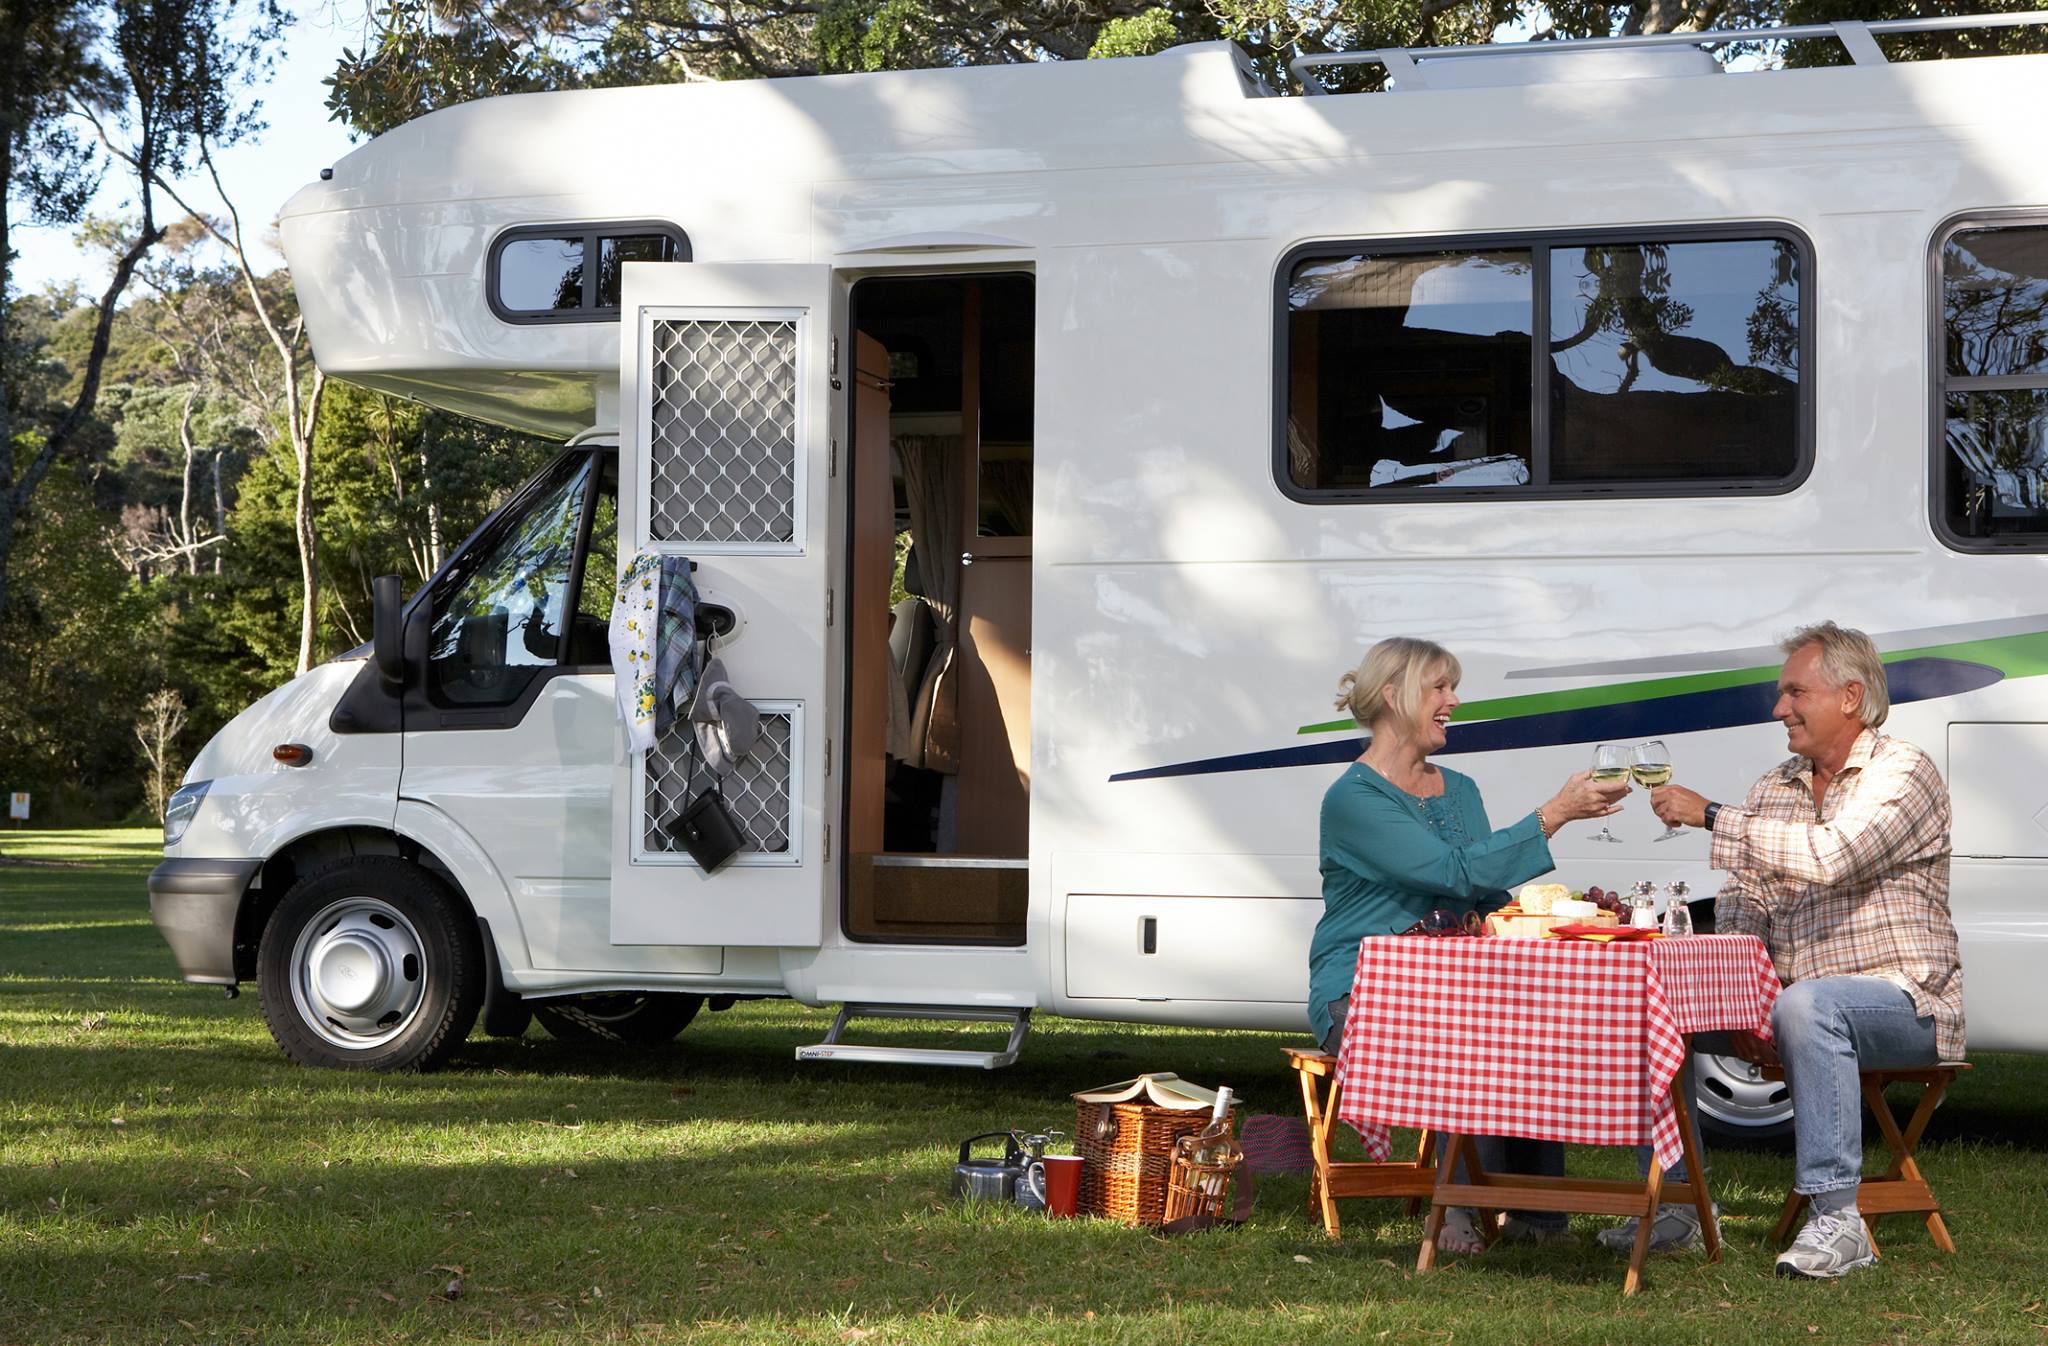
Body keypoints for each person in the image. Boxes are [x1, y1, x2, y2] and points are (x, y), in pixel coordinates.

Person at [1639, 621, 1962, 1280]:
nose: (1777, 708)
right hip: (1793, 1003)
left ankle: (1839, 1221)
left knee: (1809, 1006)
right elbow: (1745, 903)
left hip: (1908, 1003)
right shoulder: (1774, 788)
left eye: (1794, 692)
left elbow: (1833, 856)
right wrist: (1737, 998)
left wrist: (1711, 815)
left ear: (1850, 696)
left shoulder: (1904, 771)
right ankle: (1675, 1204)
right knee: (1652, 1004)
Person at [1309, 636, 1631, 1253]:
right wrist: (1554, 814)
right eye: (1440, 687)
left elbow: (1484, 894)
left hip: (1456, 985)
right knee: (1464, 1033)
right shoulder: (1352, 799)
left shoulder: (1460, 788)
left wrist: (1547, 916)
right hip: (1360, 991)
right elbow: (1452, 872)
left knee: (1538, 1026)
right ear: (1392, 696)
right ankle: (1456, 1206)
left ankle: (1538, 1218)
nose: (1453, 701)